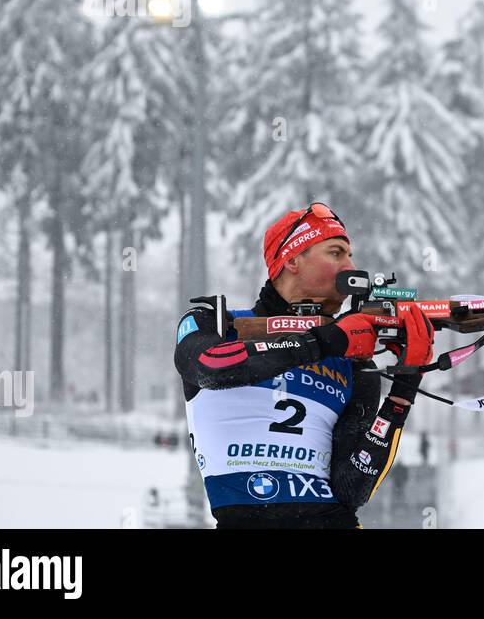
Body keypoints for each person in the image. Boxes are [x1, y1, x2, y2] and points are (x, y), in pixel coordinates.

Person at [173, 202, 434, 529]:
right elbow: (210, 366)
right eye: (336, 253)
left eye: (351, 256)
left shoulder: (353, 361)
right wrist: (324, 341)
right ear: (292, 259)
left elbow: (352, 487)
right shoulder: (215, 322)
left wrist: (404, 389)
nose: (350, 267)